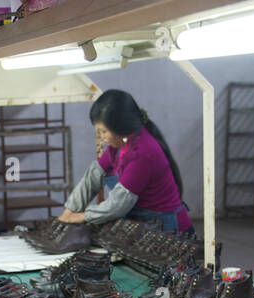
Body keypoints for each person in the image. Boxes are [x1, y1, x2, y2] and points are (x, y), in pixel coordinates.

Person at [58, 89, 192, 234]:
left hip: (166, 228)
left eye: (103, 131)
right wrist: (69, 210)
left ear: (120, 127)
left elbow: (116, 206)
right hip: (144, 222)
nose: (100, 136)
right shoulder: (119, 144)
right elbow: (93, 177)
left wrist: (81, 217)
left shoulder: (143, 153)